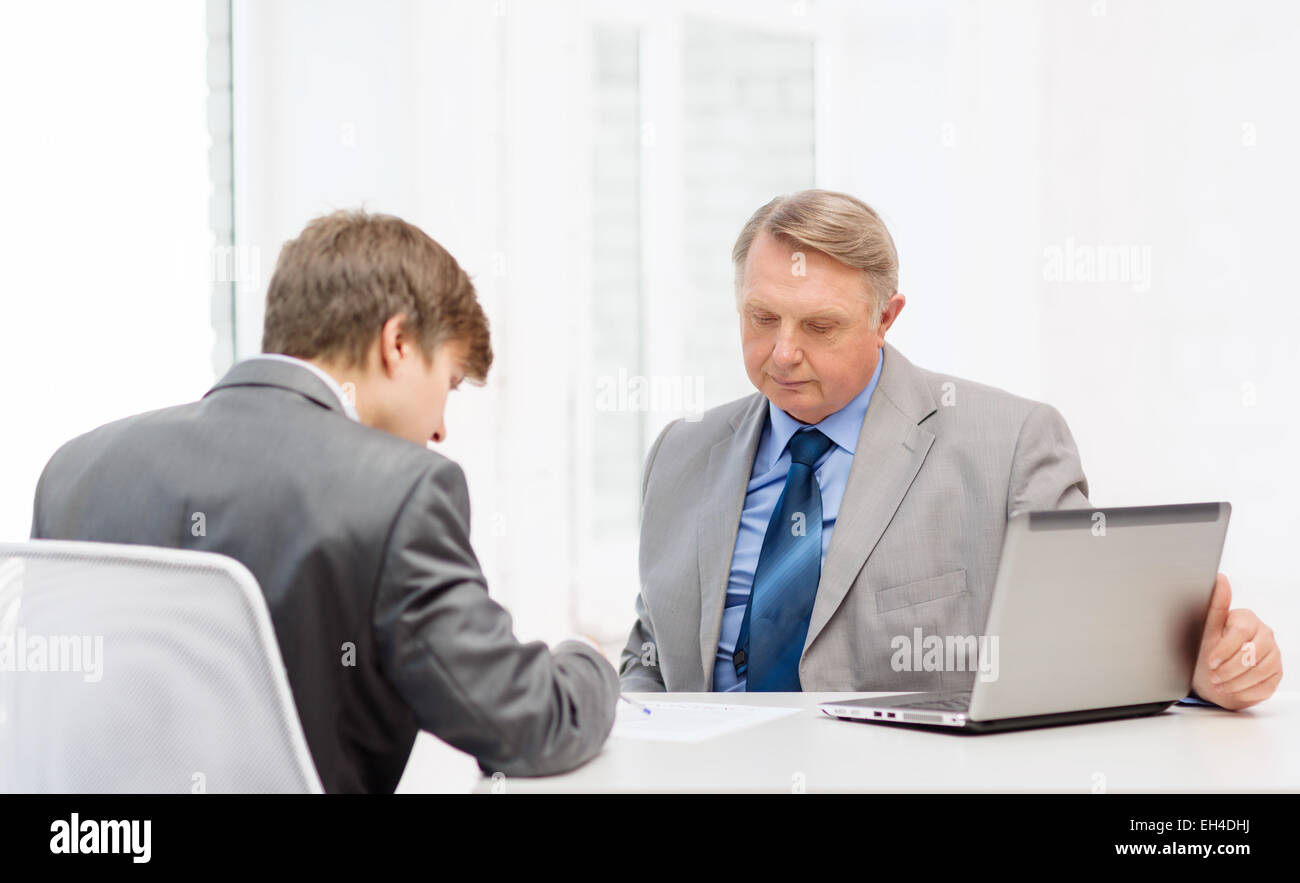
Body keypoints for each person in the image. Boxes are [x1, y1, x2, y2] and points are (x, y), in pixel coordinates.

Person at [619, 188, 1281, 710]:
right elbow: (650, 655)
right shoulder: (682, 454)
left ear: (886, 318)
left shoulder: (1008, 445)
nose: (784, 351)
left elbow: (1091, 649)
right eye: (763, 318)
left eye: (820, 325)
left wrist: (1198, 671)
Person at [32, 210, 619, 792]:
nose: (441, 428)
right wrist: (588, 661)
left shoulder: (75, 471)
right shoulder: (400, 492)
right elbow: (526, 725)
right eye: (450, 383)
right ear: (398, 344)